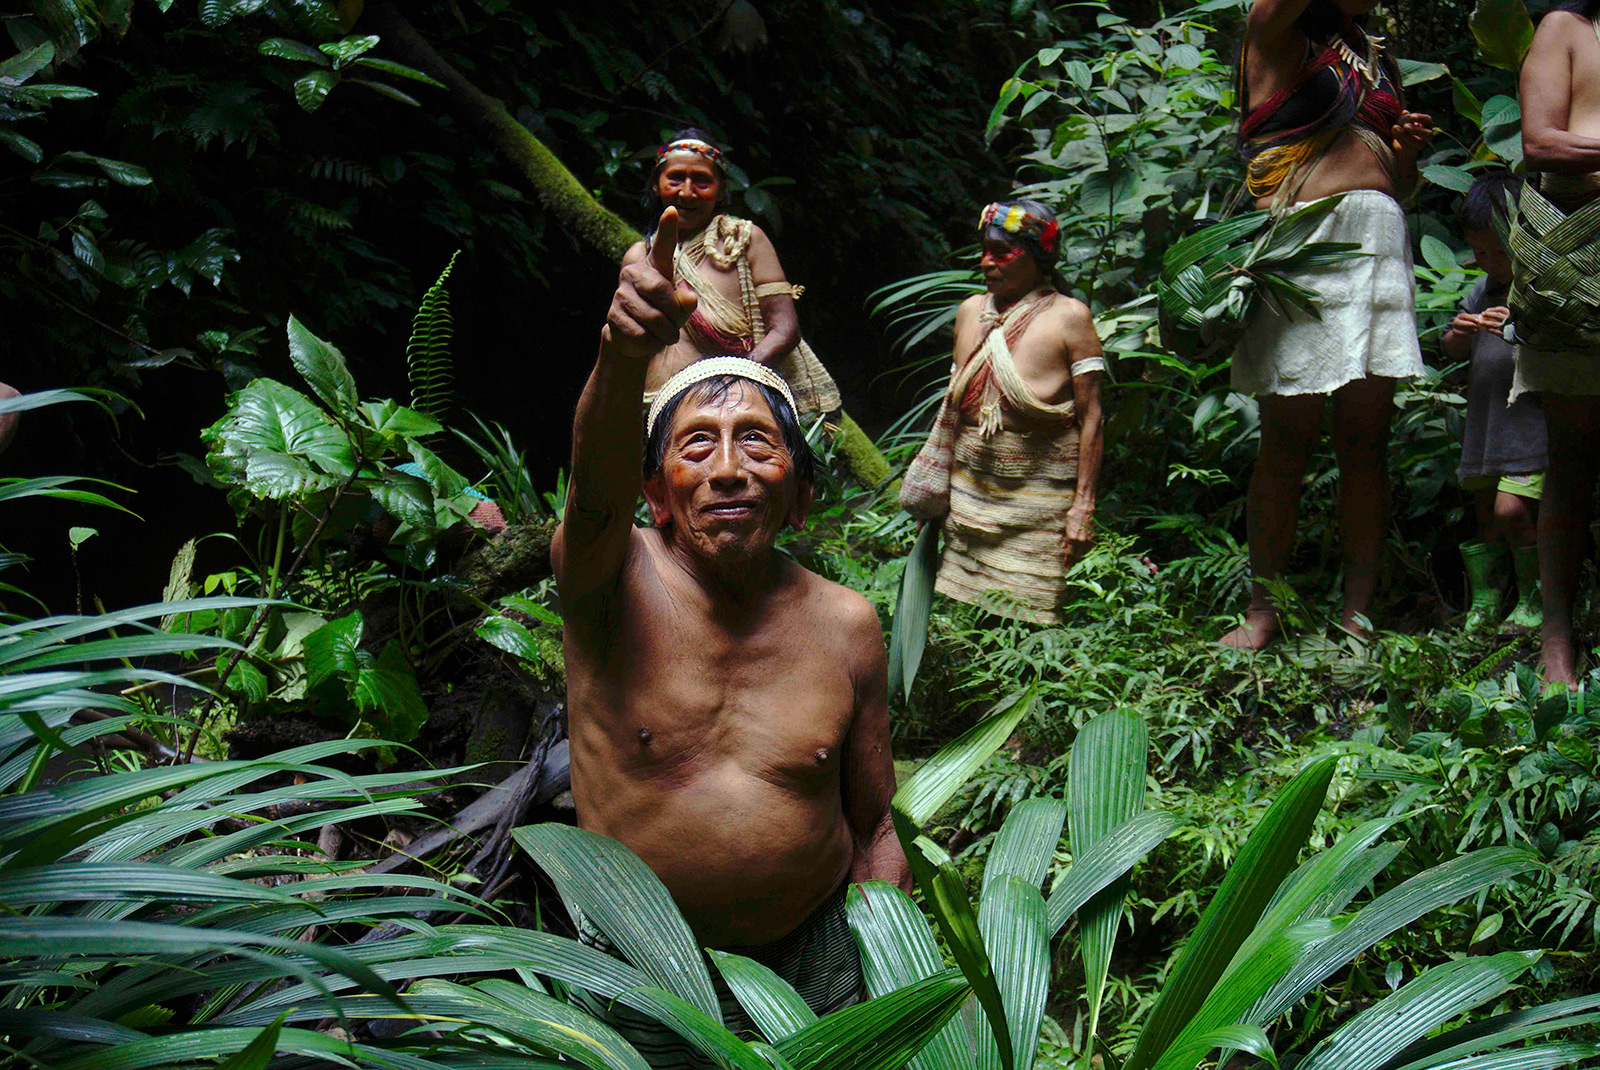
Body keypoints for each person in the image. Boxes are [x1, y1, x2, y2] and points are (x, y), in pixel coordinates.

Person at [553, 205, 908, 1056]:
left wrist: (879, 954)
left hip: (815, 961)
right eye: (696, 446)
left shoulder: (846, 622)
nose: (727, 471)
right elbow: (592, 487)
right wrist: (621, 352)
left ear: (803, 493)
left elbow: (878, 823)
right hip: (639, 964)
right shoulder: (610, 581)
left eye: (755, 441)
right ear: (656, 493)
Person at [1221, 0, 1434, 649]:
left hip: (1374, 241)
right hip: (1304, 246)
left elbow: (1400, 180)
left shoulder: (1377, 58)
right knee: (1286, 441)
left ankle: (1358, 615)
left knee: (1365, 445)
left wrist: (1404, 152)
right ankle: (1263, 612)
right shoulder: (1277, 29)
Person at [900, 198, 1105, 623]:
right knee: (967, 624)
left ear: (1036, 255)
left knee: (1032, 623)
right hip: (970, 497)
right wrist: (936, 498)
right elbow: (952, 412)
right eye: (984, 251)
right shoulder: (970, 312)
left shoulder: (1071, 317)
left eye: (1001, 252)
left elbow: (1091, 418)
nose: (985, 262)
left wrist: (1082, 508)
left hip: (1039, 500)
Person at [624, 129, 841, 420]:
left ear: (721, 189)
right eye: (675, 178)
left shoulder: (745, 240)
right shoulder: (639, 256)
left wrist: (735, 383)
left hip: (740, 407)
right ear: (655, 185)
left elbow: (785, 329)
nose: (687, 192)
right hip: (656, 410)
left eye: (702, 181)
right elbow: (629, 341)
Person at [1509, 0, 1600, 685]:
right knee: (1570, 461)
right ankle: (1557, 645)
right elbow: (1540, 142)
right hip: (1580, 261)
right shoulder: (1566, 29)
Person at [1444, 173, 1544, 633]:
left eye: (1498, 251)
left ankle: (1536, 596)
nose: (1488, 262)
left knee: (1511, 510)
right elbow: (1451, 348)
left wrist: (1518, 324)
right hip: (1487, 427)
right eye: (1480, 253)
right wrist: (1458, 332)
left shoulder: (1540, 286)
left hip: (1529, 429)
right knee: (1487, 515)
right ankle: (1486, 598)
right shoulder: (1482, 289)